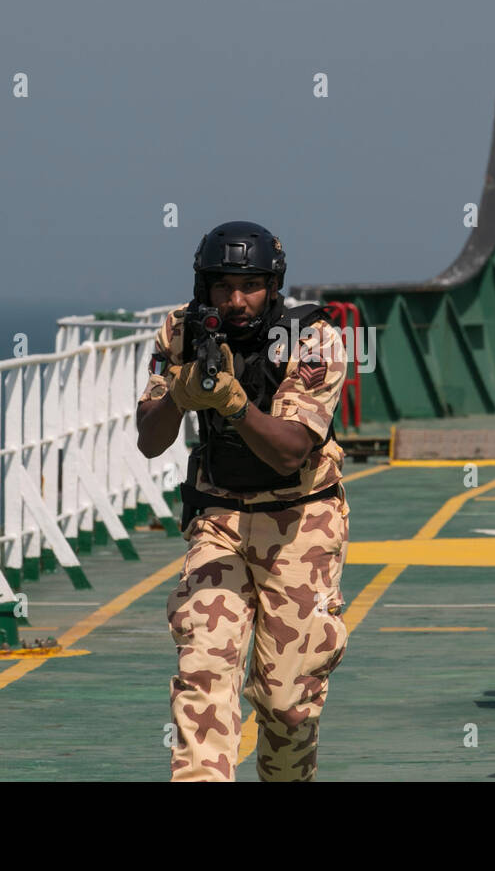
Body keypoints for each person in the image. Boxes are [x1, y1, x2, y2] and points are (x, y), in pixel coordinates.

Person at [135, 221, 350, 782]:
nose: (235, 301)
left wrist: (232, 404)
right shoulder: (180, 333)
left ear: (273, 285)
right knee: (203, 670)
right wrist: (180, 395)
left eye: (250, 285)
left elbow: (290, 452)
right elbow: (150, 440)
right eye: (223, 286)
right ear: (203, 285)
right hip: (220, 518)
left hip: (301, 520)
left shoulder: (313, 339)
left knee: (287, 704)